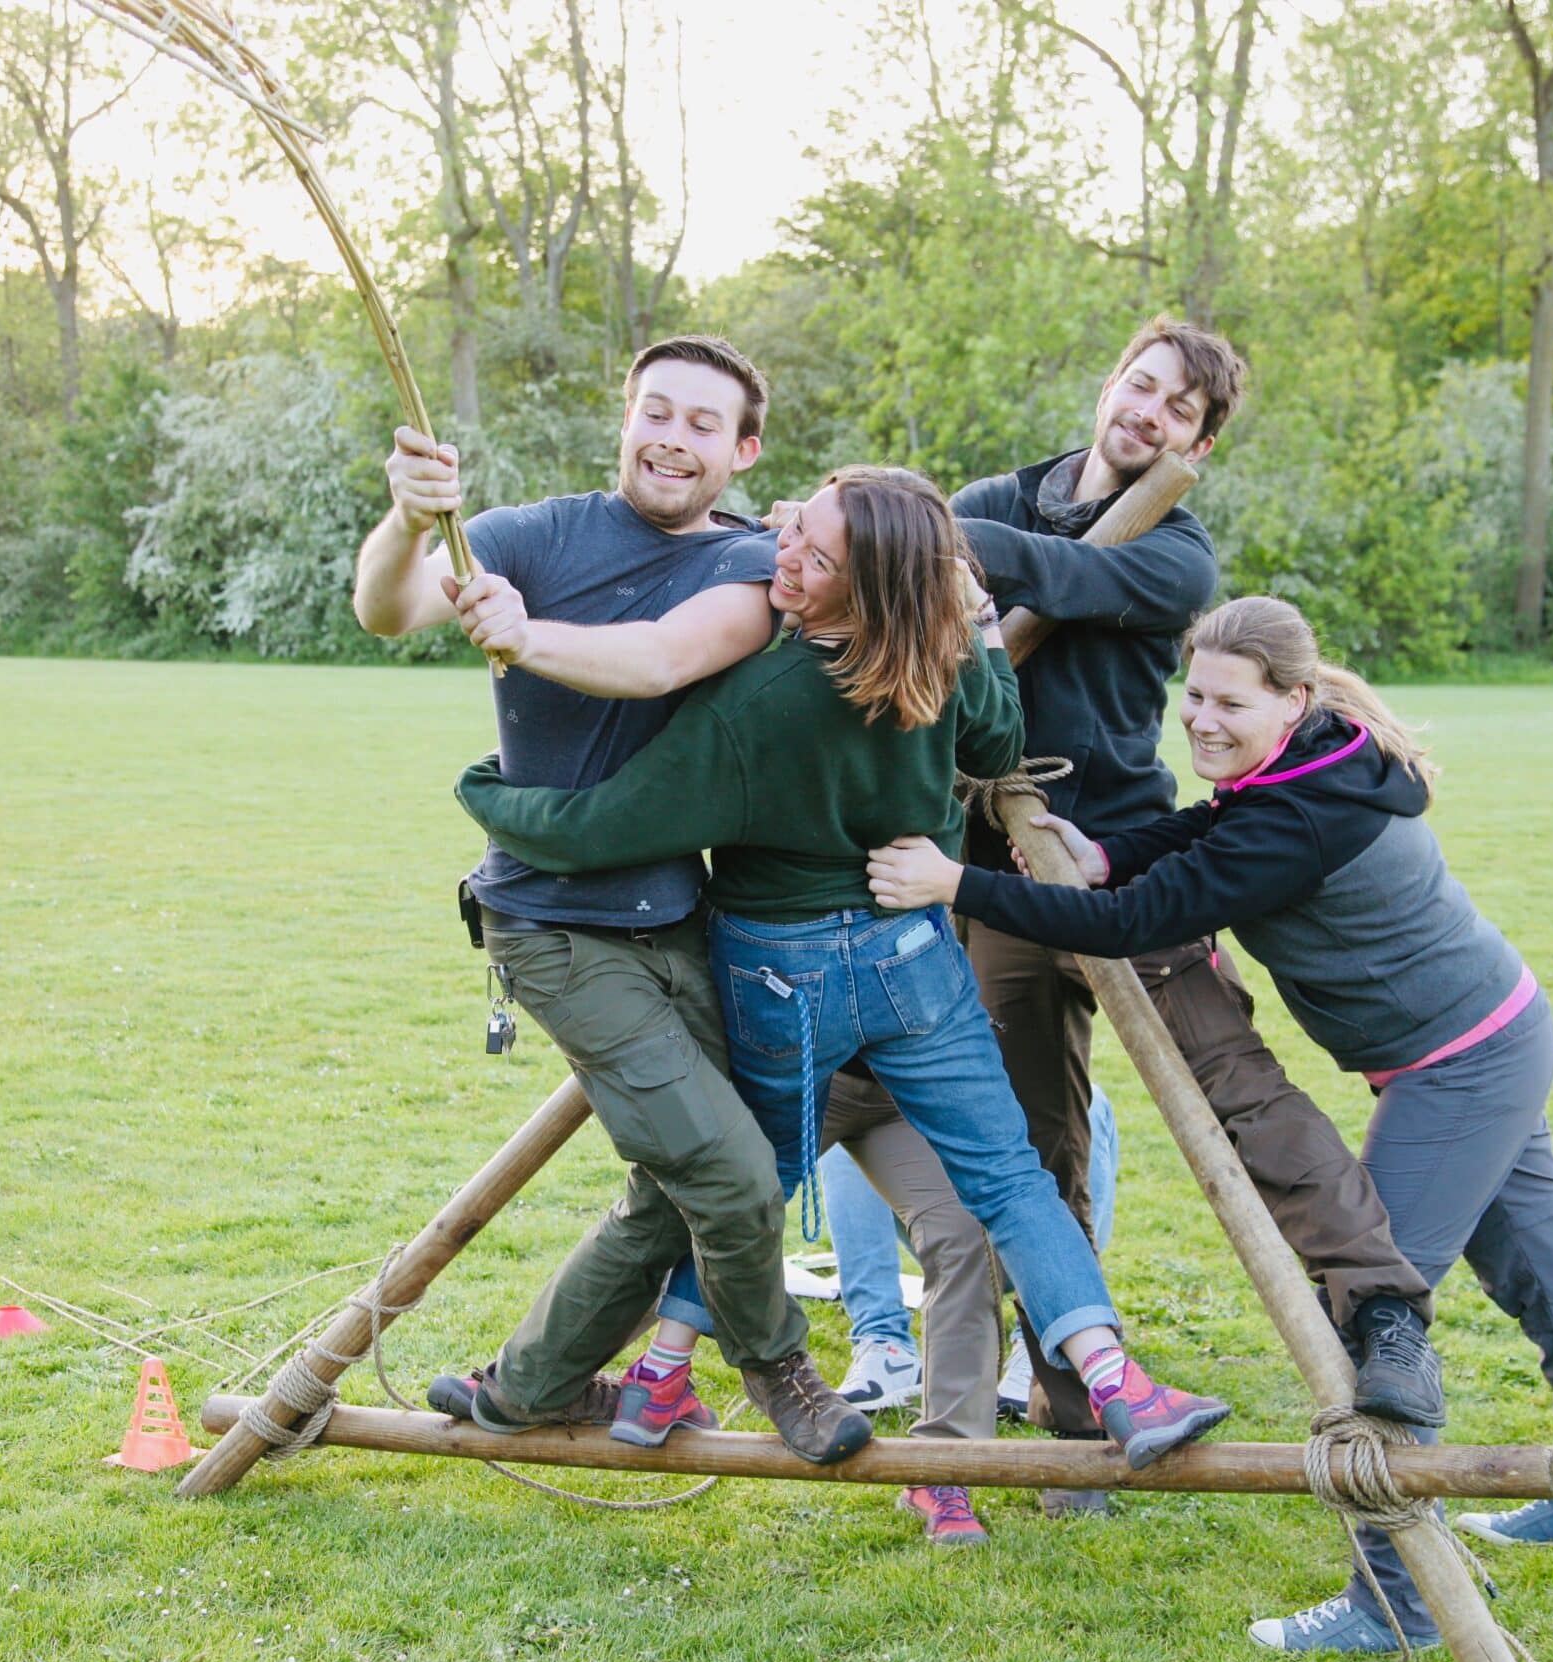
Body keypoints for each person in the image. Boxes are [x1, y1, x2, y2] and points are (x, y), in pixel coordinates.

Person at [457, 466, 1233, 1544]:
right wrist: (982, 626)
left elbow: (609, 826)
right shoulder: (939, 652)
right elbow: (999, 744)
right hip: (913, 953)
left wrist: (488, 792)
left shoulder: (761, 701)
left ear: (863, 588)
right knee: (1009, 1179)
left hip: (782, 971)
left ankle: (662, 1370)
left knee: (761, 1175)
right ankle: (1118, 1383)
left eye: (816, 557)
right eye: (793, 531)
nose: (786, 558)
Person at [866, 594, 1553, 1649]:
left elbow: (1142, 920)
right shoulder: (1303, 768)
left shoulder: (1303, 813)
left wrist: (958, 882)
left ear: (1294, 700)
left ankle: (1396, 1604)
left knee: (1369, 1320)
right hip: (1493, 1033)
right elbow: (1204, 830)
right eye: (1192, 697)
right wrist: (1108, 849)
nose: (1201, 720)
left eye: (1229, 702)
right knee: (1540, 1278)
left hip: (1459, 1070)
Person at [831, 315, 1442, 1518]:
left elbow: (1059, 575)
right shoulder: (1001, 494)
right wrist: (955, 549)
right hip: (992, 864)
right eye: (1140, 387)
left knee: (1232, 1086)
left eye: (1178, 412)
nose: (1147, 415)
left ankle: (1379, 1303)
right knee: (1038, 1139)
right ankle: (1076, 1422)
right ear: (1110, 385)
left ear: (1196, 446)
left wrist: (949, 544)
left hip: (1116, 856)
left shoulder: (1178, 556)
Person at [354, 334, 870, 1465]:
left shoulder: (746, 565)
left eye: (701, 424)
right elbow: (388, 613)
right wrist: (406, 517)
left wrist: (527, 635)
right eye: (656, 412)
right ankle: (779, 1367)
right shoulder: (539, 533)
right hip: (549, 923)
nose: (671, 439)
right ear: (623, 420)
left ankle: (527, 1386)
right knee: (729, 1172)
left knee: (679, 1182)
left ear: (742, 452)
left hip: (679, 915)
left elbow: (664, 659)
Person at [823, 1085, 1117, 1418]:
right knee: (857, 1117)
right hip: (944, 1213)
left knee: (1081, 1101)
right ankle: (883, 1343)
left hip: (1027, 1204)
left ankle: (1037, 1343)